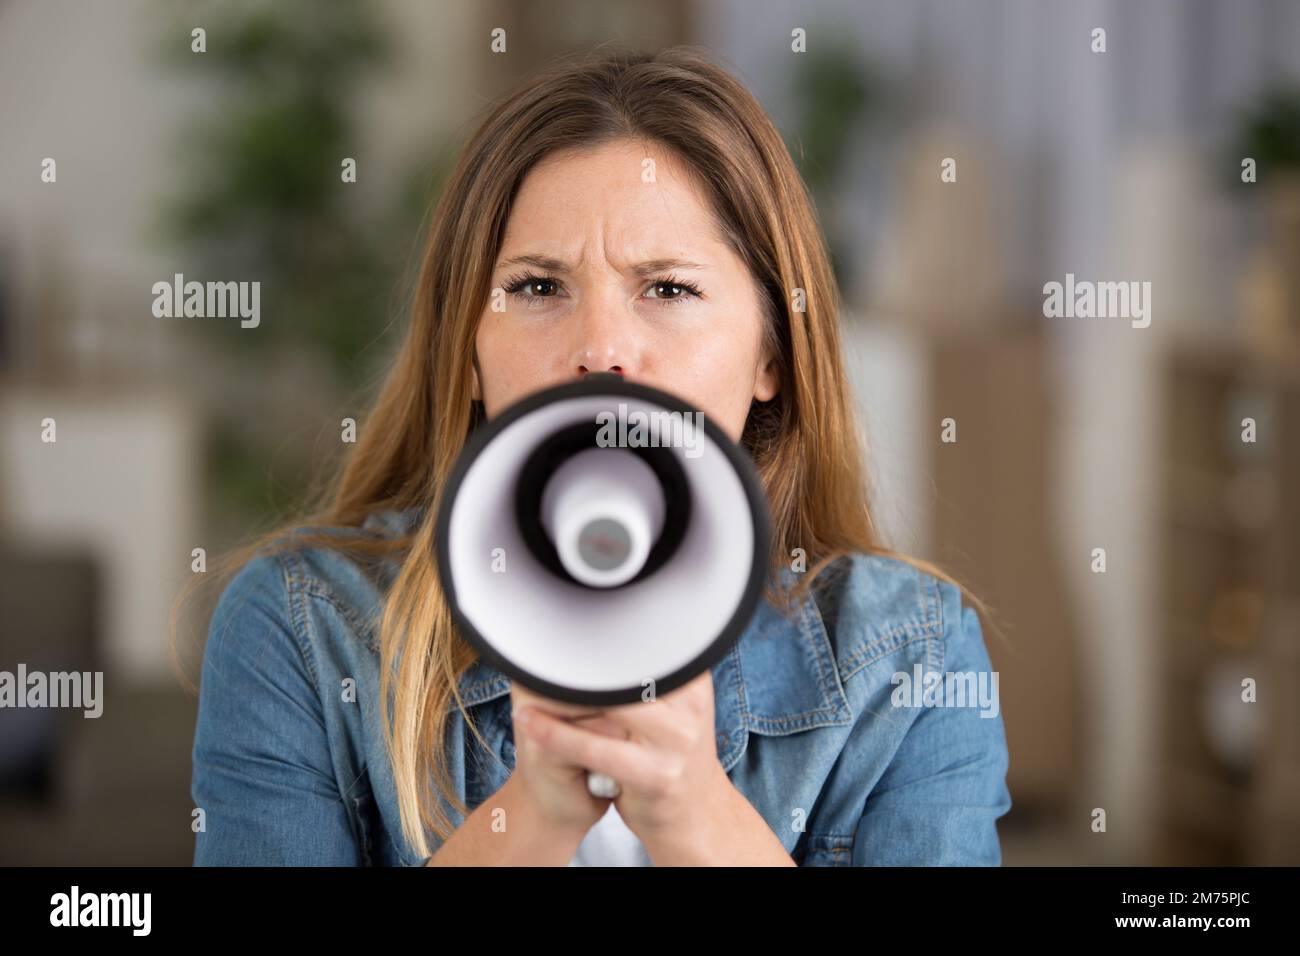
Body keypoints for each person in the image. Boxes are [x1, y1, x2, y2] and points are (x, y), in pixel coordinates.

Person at [186, 45, 1012, 866]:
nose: (602, 352)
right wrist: (538, 811)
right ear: (467, 347)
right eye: (539, 287)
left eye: (669, 288)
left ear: (772, 353)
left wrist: (697, 819)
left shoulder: (913, 655)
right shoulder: (300, 628)